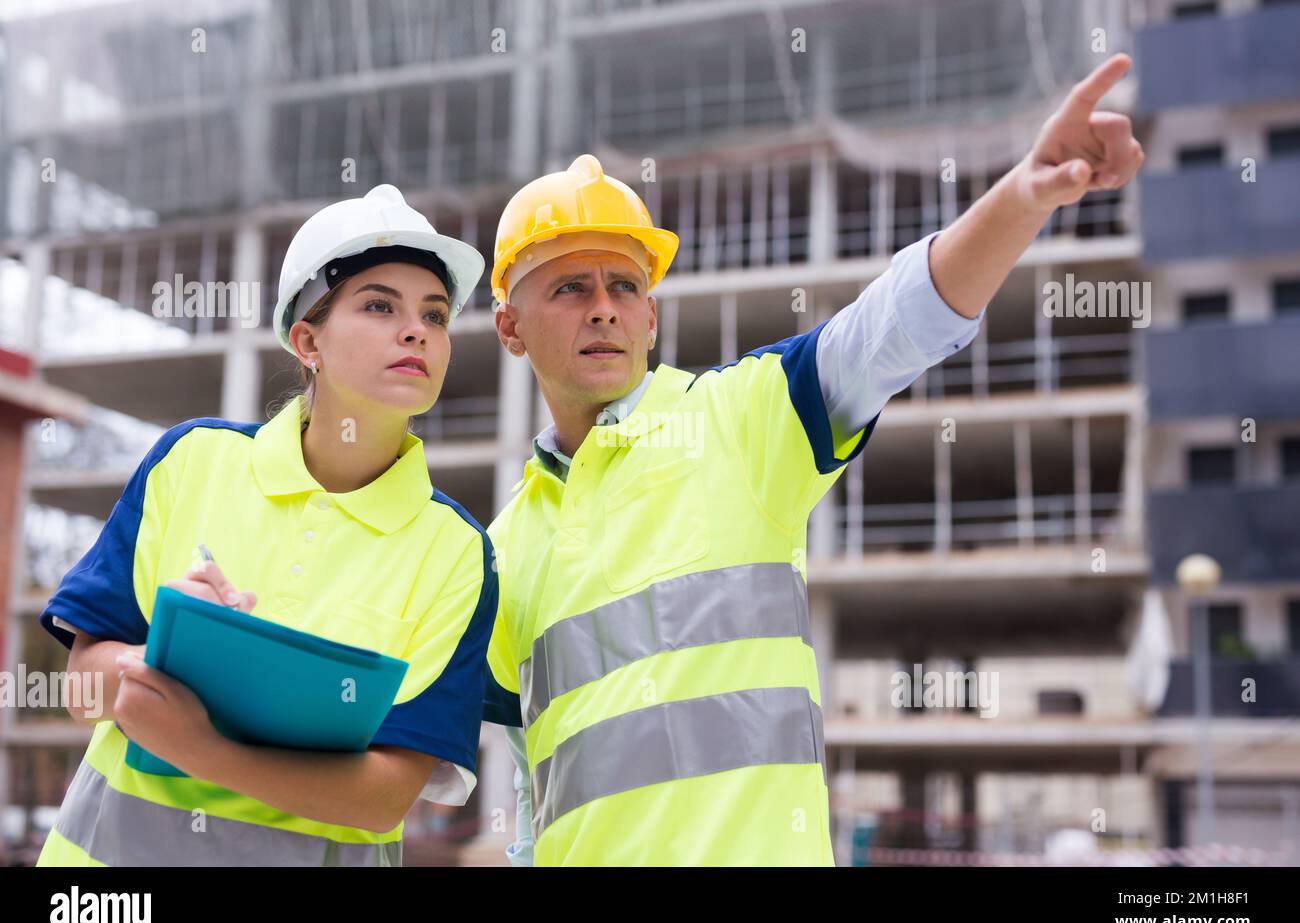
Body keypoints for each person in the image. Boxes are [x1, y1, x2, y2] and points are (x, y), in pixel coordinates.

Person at [481, 54, 1144, 865]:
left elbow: (895, 325)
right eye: (570, 288)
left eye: (624, 287)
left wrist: (1025, 192)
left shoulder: (740, 419)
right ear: (511, 328)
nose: (604, 310)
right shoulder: (501, 552)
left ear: (651, 318)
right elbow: (525, 781)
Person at [37, 184, 496, 866]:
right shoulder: (191, 460)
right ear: (307, 339)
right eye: (379, 305)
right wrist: (158, 660)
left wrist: (199, 744)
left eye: (435, 315)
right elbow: (80, 687)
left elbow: (385, 798)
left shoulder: (456, 552)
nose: (417, 330)